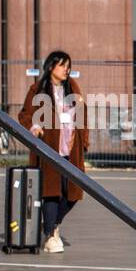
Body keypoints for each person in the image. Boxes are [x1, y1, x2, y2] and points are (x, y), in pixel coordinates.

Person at [17, 50, 86, 252]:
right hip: (49, 149)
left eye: (68, 66)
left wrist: (84, 139)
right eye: (63, 65)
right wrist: (34, 127)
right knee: (51, 193)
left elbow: (82, 113)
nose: (67, 69)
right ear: (51, 67)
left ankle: (52, 225)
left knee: (73, 193)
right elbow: (25, 115)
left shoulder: (72, 88)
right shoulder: (38, 89)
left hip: (71, 150)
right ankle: (50, 236)